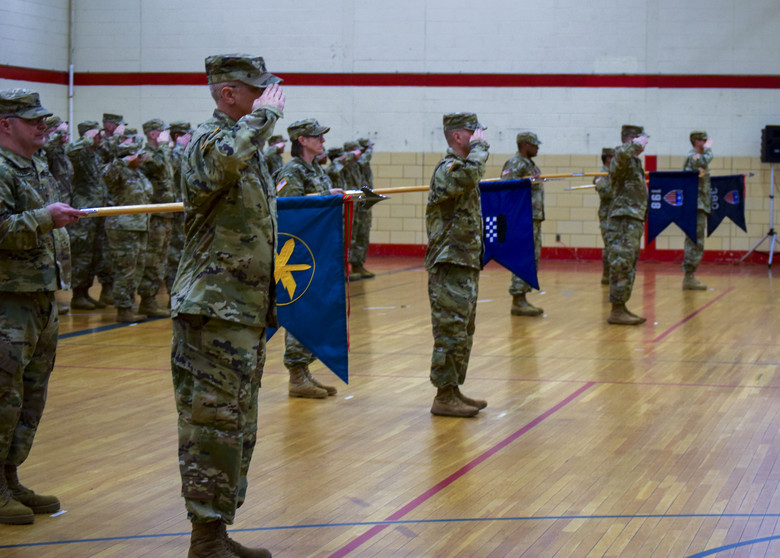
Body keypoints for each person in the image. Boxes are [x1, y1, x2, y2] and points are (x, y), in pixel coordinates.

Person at [170, 53, 285, 558]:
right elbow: (223, 162)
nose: (266, 99)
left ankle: (217, 531)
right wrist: (266, 120)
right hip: (212, 310)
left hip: (243, 310)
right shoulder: (208, 142)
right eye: (255, 91)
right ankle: (204, 539)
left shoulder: (250, 149)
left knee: (237, 426)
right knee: (211, 425)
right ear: (227, 94)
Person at [0, 88, 86, 524]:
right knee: (3, 396)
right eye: (32, 120)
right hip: (7, 302)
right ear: (5, 124)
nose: (43, 126)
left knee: (28, 398)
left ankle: (9, 477)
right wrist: (44, 218)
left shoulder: (35, 166)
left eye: (43, 119)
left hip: (39, 296)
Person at [425, 112, 489, 418]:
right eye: (472, 132)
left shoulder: (463, 167)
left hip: (464, 262)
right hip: (449, 262)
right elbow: (468, 176)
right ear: (458, 136)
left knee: (463, 331)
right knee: (450, 331)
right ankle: (443, 395)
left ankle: (453, 390)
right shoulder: (448, 168)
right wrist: (481, 151)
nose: (478, 137)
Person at [276, 118, 344, 399]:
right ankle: (295, 374)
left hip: (318, 248)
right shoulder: (292, 171)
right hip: (299, 253)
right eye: (317, 137)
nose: (323, 141)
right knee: (301, 311)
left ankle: (304, 370)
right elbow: (288, 209)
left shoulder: (315, 169)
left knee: (316, 311)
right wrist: (325, 197)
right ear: (301, 140)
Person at [103, 139, 152, 323]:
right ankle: (123, 309)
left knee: (137, 268)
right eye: (138, 155)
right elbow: (106, 173)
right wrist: (124, 160)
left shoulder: (139, 174)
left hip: (140, 226)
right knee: (125, 269)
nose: (142, 158)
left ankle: (129, 305)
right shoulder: (118, 172)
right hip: (122, 227)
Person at [605, 124, 649, 325]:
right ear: (632, 139)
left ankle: (622, 307)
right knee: (621, 264)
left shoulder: (633, 161)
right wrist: (633, 145)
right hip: (623, 219)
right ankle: (616, 310)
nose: (644, 145)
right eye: (641, 140)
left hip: (632, 219)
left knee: (628, 265)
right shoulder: (620, 156)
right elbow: (621, 154)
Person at [66, 120, 111, 310]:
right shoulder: (79, 153)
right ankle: (77, 294)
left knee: (95, 253)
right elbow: (70, 151)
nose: (99, 137)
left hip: (98, 209)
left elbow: (113, 151)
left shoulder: (97, 154)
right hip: (84, 210)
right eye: (96, 134)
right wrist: (86, 139)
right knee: (82, 253)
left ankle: (86, 291)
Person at [501, 131, 544, 316]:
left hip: (532, 216)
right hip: (522, 217)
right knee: (522, 257)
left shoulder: (529, 164)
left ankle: (523, 297)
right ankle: (517, 299)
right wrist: (527, 182)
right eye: (535, 144)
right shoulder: (515, 163)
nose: (538, 148)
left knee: (531, 257)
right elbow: (506, 186)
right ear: (525, 145)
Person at [137, 118, 175, 318]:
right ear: (153, 134)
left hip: (166, 214)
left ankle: (151, 297)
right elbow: (160, 165)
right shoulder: (147, 153)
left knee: (161, 258)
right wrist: (163, 146)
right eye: (161, 132)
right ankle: (147, 299)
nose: (165, 135)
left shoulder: (161, 152)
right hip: (154, 215)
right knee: (152, 258)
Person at [164, 120, 192, 302]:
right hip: (171, 213)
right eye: (187, 135)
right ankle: (173, 295)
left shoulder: (188, 153)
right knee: (174, 255)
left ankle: (185, 292)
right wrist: (178, 148)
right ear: (178, 136)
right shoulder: (170, 154)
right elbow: (169, 169)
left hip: (187, 211)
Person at [682, 130, 713, 290]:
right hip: (694, 205)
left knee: (697, 241)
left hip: (700, 205)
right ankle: (689, 276)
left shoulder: (698, 158)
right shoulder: (693, 156)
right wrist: (708, 149)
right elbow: (702, 160)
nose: (706, 142)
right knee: (694, 241)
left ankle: (690, 276)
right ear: (696, 141)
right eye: (703, 140)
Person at [348, 137, 375, 280]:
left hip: (364, 201)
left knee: (363, 234)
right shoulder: (354, 162)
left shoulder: (362, 164)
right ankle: (350, 266)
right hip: (355, 203)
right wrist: (368, 150)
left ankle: (359, 264)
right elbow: (363, 159)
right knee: (353, 235)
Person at [594, 147, 615, 285]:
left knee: (615, 245)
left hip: (616, 214)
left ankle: (614, 274)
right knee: (609, 245)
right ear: (608, 158)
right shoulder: (600, 174)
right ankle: (607, 275)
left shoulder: (614, 174)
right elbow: (605, 192)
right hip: (607, 215)